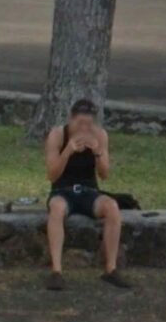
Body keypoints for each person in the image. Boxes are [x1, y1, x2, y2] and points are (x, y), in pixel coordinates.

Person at [43, 99, 132, 290]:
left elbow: (104, 175)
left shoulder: (100, 135)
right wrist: (67, 152)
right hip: (63, 190)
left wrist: (98, 152)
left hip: (88, 190)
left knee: (112, 207)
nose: (84, 128)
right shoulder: (57, 135)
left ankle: (111, 269)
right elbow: (51, 174)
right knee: (57, 208)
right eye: (79, 123)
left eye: (88, 124)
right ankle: (56, 271)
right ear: (71, 120)